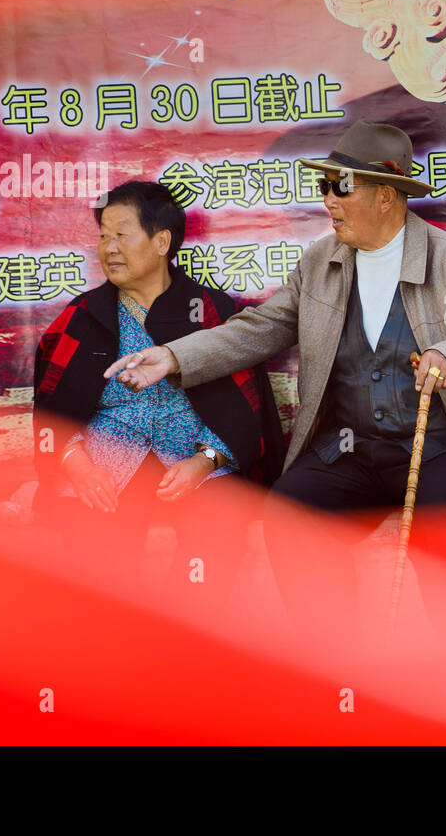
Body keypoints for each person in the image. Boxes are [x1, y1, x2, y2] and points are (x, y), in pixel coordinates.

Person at [102, 120, 446, 640]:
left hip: (439, 445)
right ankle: (337, 657)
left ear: (387, 197)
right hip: (351, 446)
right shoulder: (320, 262)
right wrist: (173, 357)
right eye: (324, 185)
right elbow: (262, 327)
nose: (327, 198)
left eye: (340, 186)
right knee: (289, 515)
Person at [33, 180, 284, 607]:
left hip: (194, 458)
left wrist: (204, 462)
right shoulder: (81, 317)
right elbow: (51, 412)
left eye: (122, 233)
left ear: (162, 241)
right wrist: (79, 468)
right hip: (106, 461)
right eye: (102, 236)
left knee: (217, 534)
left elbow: (247, 409)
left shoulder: (212, 312)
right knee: (93, 548)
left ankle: (185, 646)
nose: (109, 247)